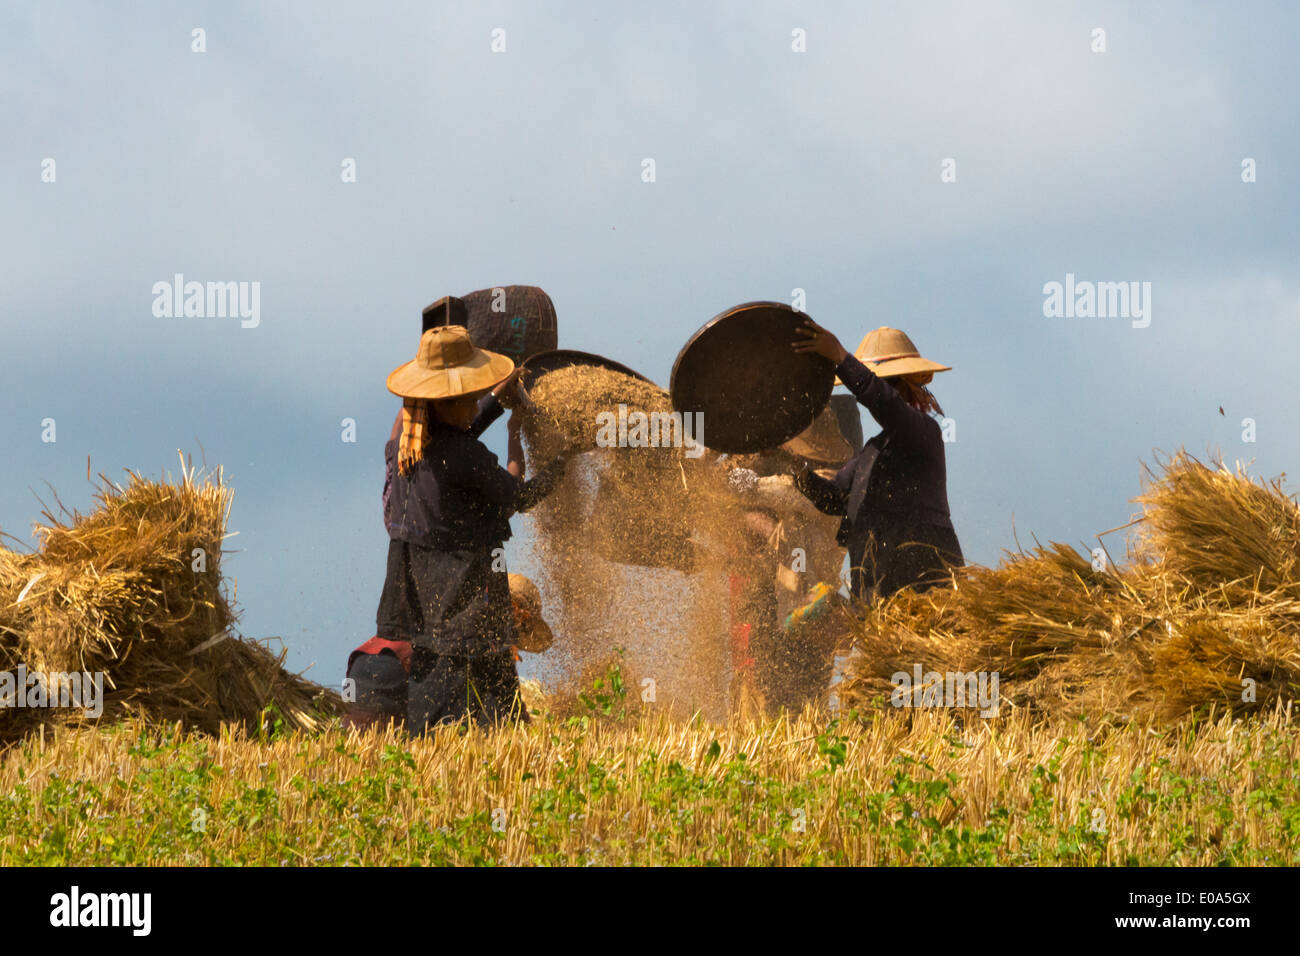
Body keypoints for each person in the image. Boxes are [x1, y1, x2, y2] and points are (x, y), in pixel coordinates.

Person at [375, 324, 568, 731]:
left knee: (433, 674)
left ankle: (428, 740)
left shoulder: (406, 444)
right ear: (446, 402)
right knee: (488, 672)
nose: (472, 403)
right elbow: (518, 496)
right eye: (468, 398)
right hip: (465, 588)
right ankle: (502, 739)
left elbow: (455, 436)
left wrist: (498, 400)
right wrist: (562, 461)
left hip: (419, 590)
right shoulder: (466, 455)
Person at [791, 321, 963, 603]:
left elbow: (886, 405)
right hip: (878, 589)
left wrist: (841, 358)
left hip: (925, 587)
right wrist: (796, 468)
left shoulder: (924, 433)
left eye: (883, 385)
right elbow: (833, 499)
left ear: (902, 387)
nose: (869, 400)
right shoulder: (871, 453)